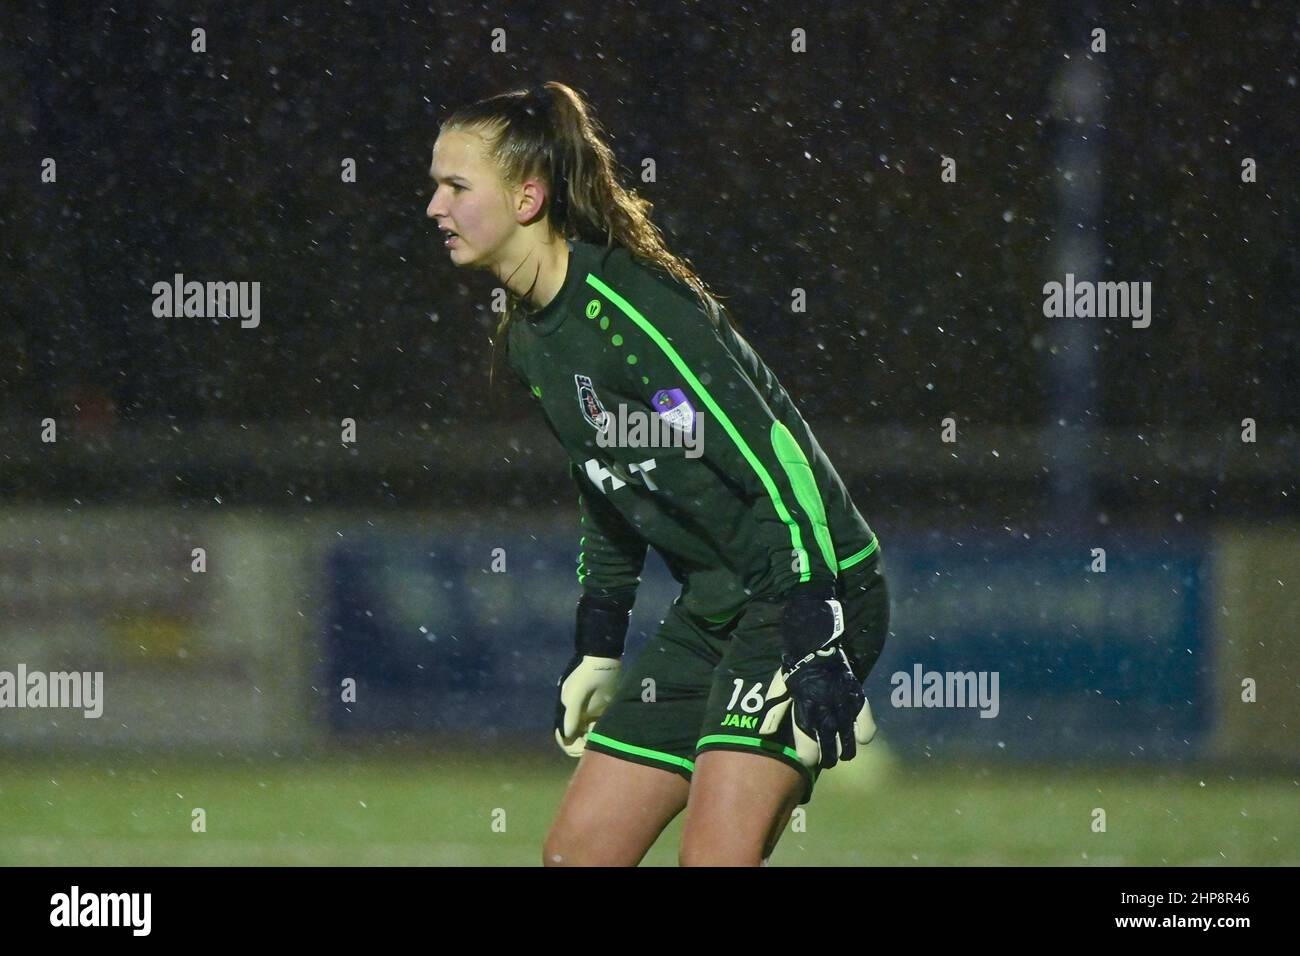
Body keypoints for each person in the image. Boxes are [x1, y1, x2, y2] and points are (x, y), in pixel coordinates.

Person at [426, 81, 889, 866]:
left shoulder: (626, 309)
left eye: (455, 187)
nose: (434, 206)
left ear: (528, 197)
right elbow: (607, 481)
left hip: (801, 591)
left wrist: (814, 625)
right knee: (576, 857)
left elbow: (771, 454)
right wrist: (599, 642)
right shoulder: (531, 335)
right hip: (712, 609)